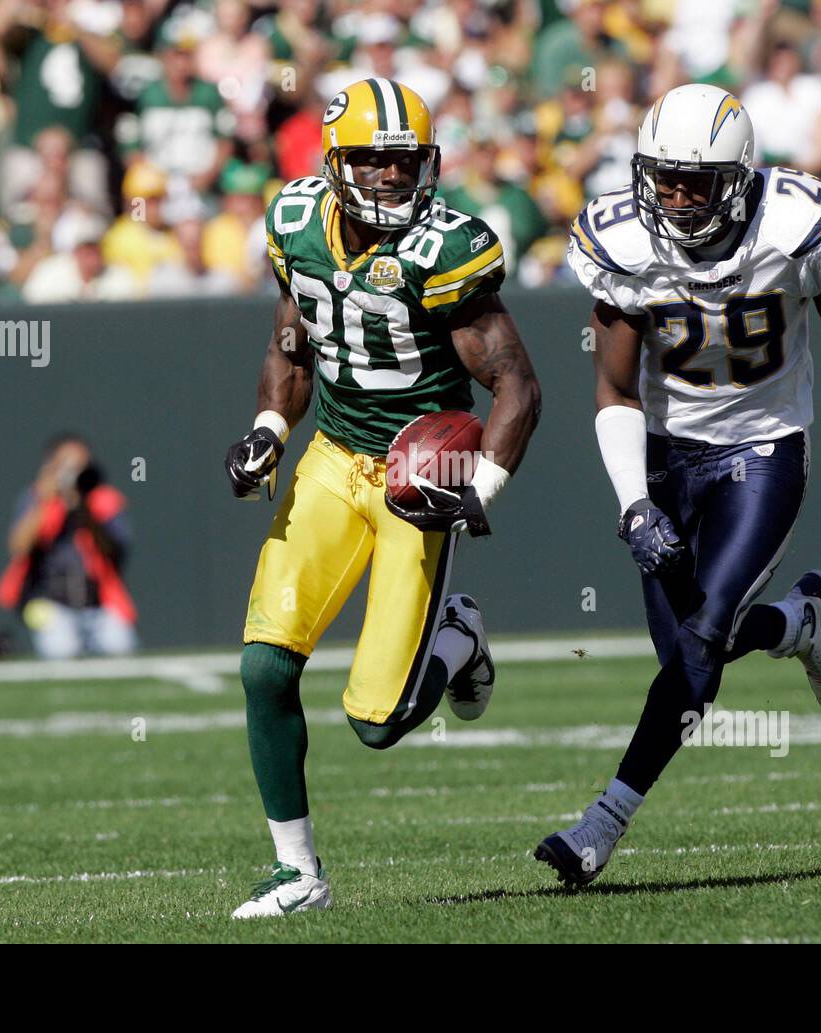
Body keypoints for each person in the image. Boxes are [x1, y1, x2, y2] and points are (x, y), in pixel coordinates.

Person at [537, 83, 821, 887]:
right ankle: (800, 622)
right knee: (688, 653)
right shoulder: (626, 244)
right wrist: (634, 505)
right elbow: (616, 391)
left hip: (762, 450)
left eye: (692, 181)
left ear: (735, 180)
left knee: (702, 640)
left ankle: (602, 822)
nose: (673, 197)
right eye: (661, 178)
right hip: (667, 456)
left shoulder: (794, 227)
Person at [224, 78, 540, 919]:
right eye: (372, 160)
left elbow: (516, 384)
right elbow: (292, 340)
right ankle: (298, 872)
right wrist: (268, 427)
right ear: (335, 163)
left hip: (416, 477)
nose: (393, 176)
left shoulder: (445, 249)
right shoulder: (297, 224)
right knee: (264, 664)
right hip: (333, 457)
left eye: (405, 161)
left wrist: (481, 488)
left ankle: (460, 635)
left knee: (378, 719)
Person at [0, 434, 137, 659]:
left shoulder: (103, 499)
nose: (74, 472)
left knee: (120, 645)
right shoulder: (36, 497)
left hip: (99, 603)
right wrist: (45, 501)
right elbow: (18, 547)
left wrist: (84, 509)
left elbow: (114, 550)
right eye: (68, 465)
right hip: (50, 602)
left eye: (81, 465)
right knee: (60, 649)